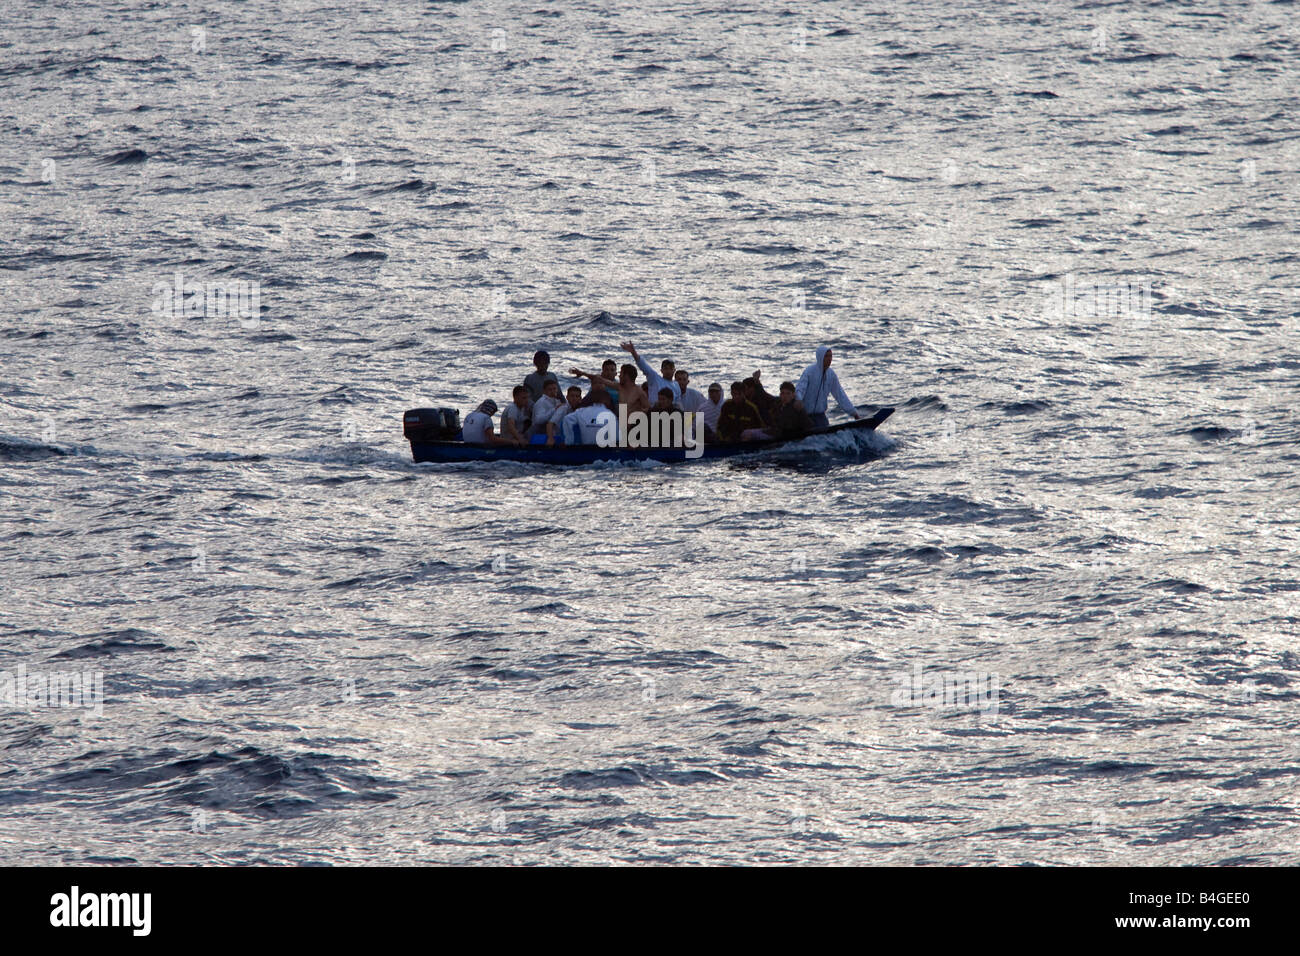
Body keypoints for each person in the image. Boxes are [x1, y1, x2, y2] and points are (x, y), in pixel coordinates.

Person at [796, 346, 860, 428]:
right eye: (826, 356)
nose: (829, 359)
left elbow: (840, 394)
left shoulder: (831, 374)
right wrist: (798, 400)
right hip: (805, 415)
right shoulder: (809, 371)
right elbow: (800, 389)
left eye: (830, 356)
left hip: (820, 416)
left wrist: (854, 413)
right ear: (820, 357)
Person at [572, 363, 650, 414]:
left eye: (621, 373)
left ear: (626, 376)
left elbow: (647, 408)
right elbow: (600, 379)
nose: (619, 376)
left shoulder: (639, 391)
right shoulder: (619, 387)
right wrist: (583, 373)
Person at [621, 342, 680, 406]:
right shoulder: (655, 378)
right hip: (654, 410)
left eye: (671, 368)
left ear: (674, 370)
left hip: (670, 411)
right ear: (661, 370)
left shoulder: (676, 385)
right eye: (666, 368)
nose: (668, 371)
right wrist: (633, 352)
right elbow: (644, 366)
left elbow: (678, 403)